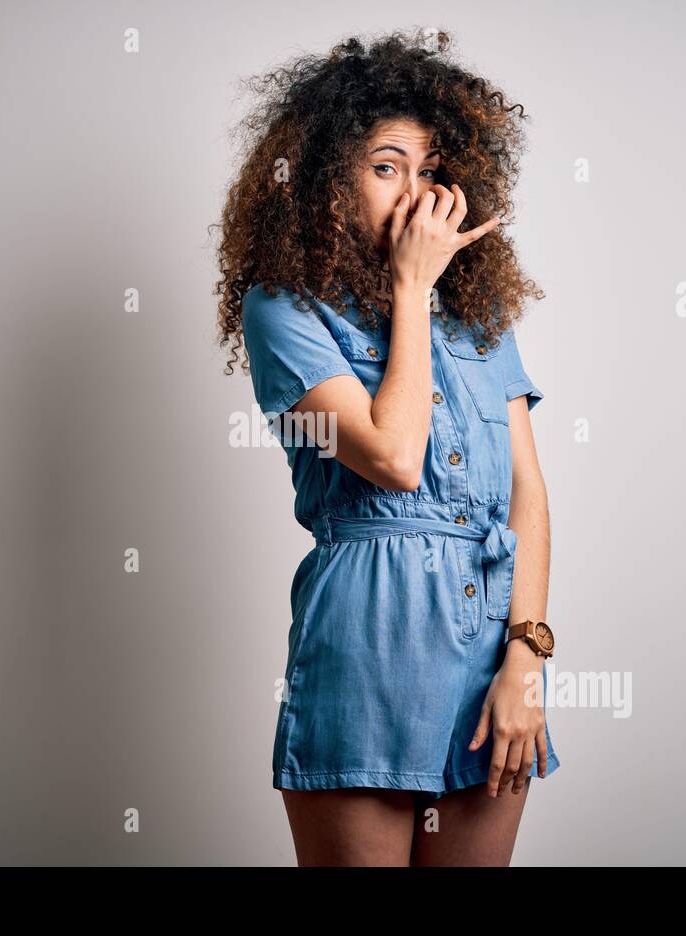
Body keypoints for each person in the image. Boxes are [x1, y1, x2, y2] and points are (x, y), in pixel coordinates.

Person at [214, 29, 560, 866]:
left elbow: (529, 496)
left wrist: (527, 659)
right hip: (366, 653)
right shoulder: (284, 310)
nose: (415, 190)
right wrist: (412, 285)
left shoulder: (481, 322)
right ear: (331, 181)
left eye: (431, 168)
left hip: (491, 656)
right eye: (385, 165)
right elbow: (393, 456)